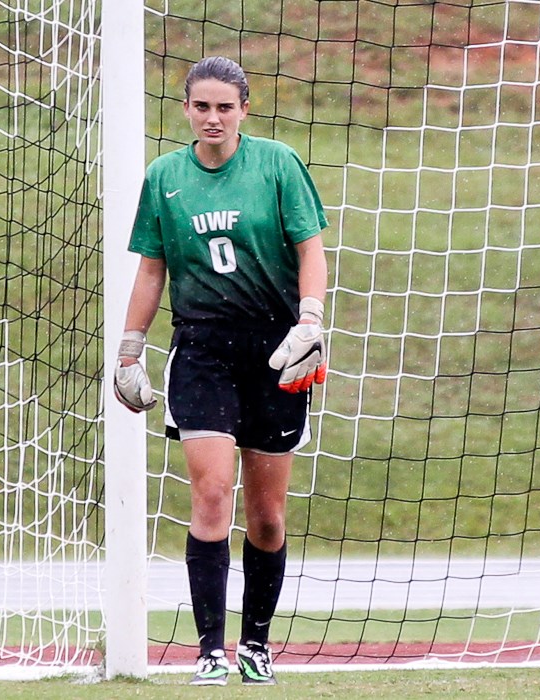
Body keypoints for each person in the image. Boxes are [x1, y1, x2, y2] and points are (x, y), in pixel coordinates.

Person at [113, 56, 328, 686]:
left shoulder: (277, 165)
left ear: (244, 110)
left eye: (225, 107)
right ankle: (209, 650)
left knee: (267, 515)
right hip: (202, 349)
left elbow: (311, 250)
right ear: (185, 108)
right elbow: (152, 268)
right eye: (202, 106)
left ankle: (255, 643)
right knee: (211, 496)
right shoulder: (165, 176)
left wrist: (310, 321)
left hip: (275, 349)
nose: (213, 117)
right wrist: (129, 350)